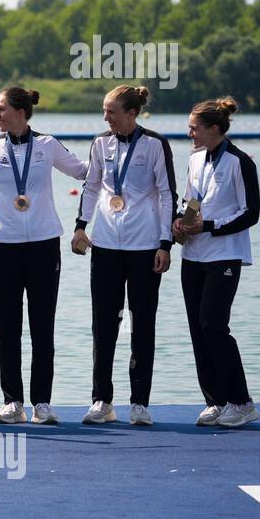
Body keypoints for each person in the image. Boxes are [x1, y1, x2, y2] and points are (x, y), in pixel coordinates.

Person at [0, 87, 88, 425]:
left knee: (42, 327)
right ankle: (12, 402)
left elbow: (83, 172)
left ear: (20, 111)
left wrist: (115, 163)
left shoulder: (47, 145)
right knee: (7, 328)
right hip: (2, 245)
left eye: (1, 109)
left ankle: (42, 403)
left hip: (44, 245)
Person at [71, 85, 176, 427]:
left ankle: (140, 403)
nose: (106, 117)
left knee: (142, 324)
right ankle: (102, 400)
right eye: (104, 111)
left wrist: (165, 243)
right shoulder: (101, 143)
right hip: (104, 247)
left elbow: (166, 194)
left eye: (112, 111)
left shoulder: (156, 144)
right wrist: (80, 226)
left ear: (132, 114)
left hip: (144, 247)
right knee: (104, 325)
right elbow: (90, 186)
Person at [172, 96, 260, 428]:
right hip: (193, 254)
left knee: (213, 325)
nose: (190, 134)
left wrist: (210, 226)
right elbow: (193, 201)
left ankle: (242, 402)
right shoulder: (196, 160)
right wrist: (182, 223)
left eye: (194, 129)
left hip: (225, 254)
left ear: (213, 129)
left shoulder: (240, 162)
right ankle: (216, 401)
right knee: (198, 329)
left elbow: (251, 213)